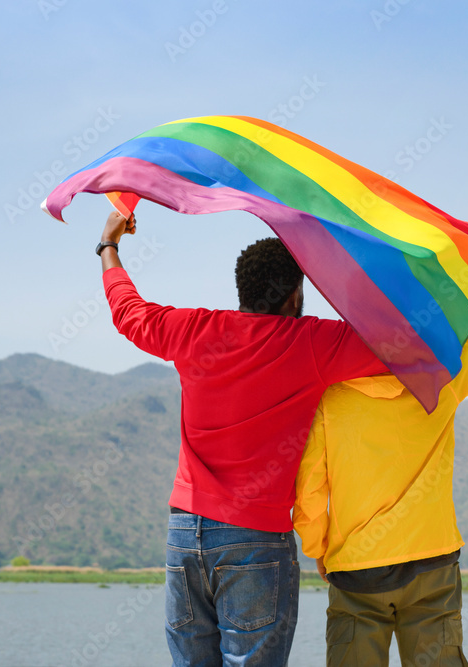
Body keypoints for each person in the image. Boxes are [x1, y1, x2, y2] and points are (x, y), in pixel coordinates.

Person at [97, 211, 389, 665]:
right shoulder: (312, 343)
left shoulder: (195, 330)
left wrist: (108, 246)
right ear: (295, 296)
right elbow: (398, 340)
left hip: (183, 532)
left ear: (243, 291)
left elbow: (128, 312)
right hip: (254, 539)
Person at [293, 234, 468, 666]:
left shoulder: (330, 397)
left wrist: (318, 549)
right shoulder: (445, 372)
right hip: (432, 561)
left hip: (357, 568)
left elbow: (309, 488)